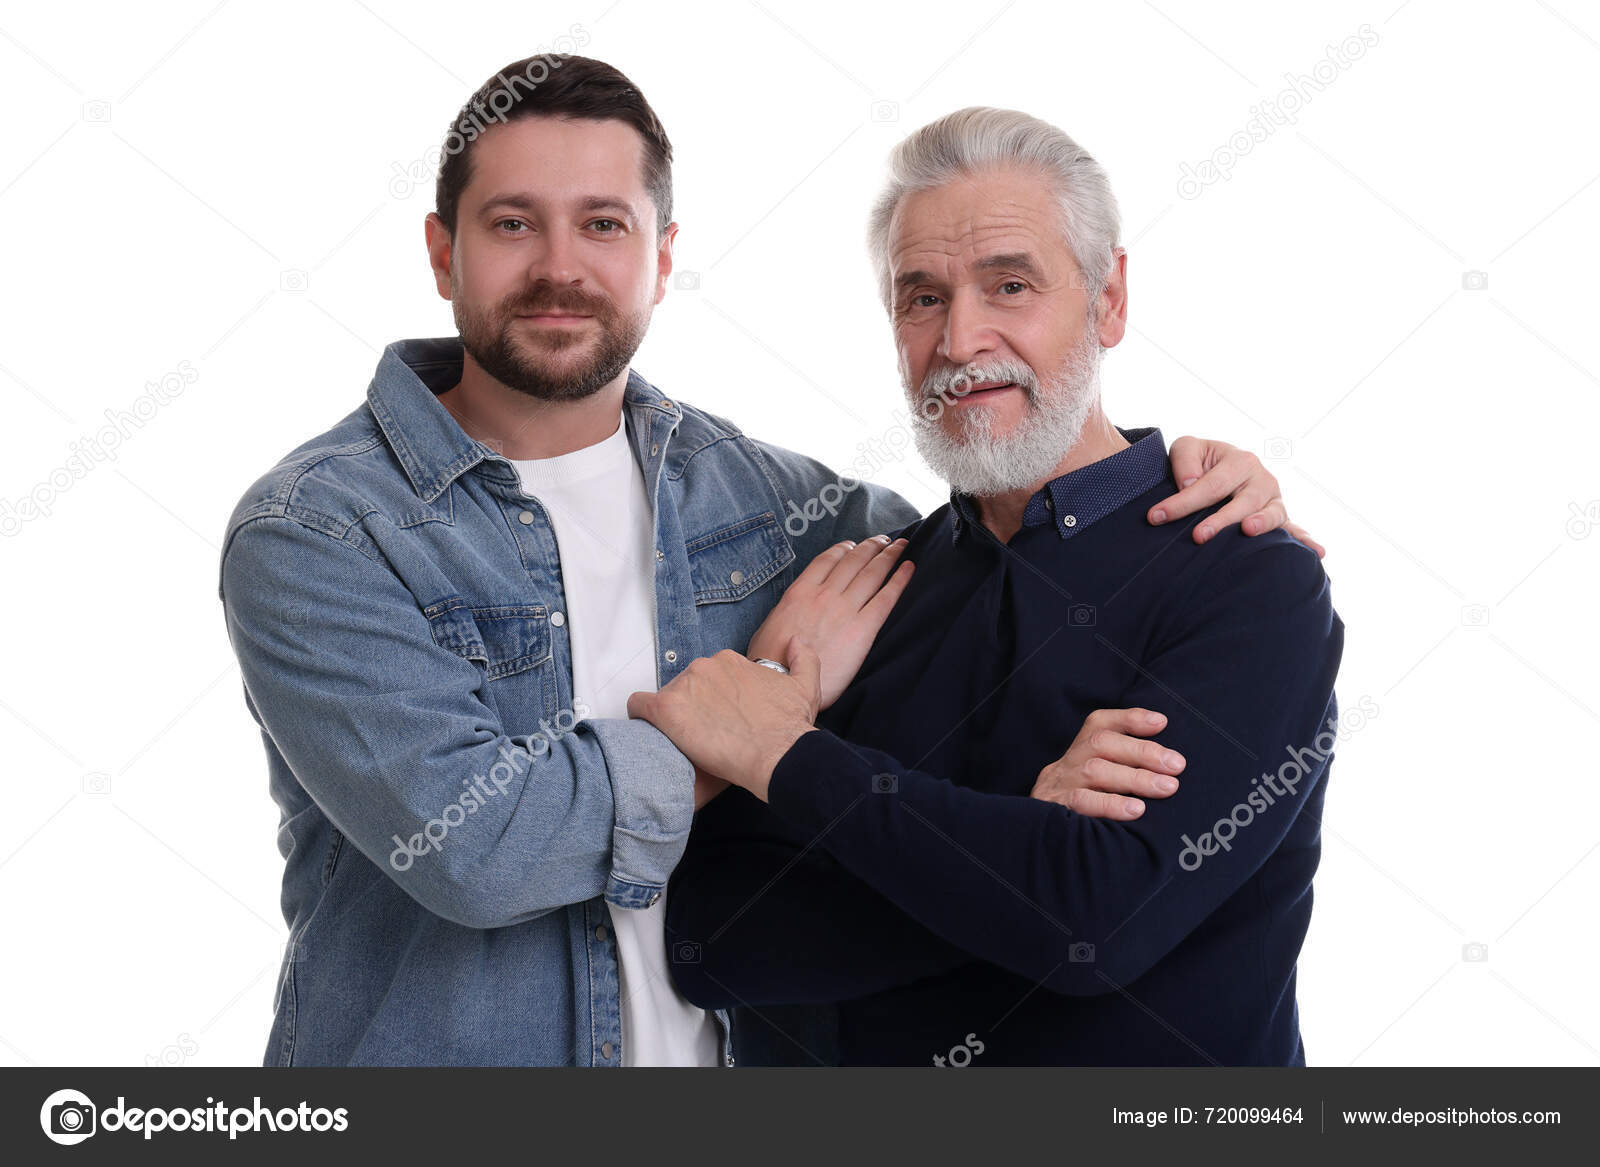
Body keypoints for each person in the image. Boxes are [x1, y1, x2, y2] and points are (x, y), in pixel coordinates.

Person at [219, 57, 1314, 1067]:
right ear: (441, 250)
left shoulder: (787, 517)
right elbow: (543, 871)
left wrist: (1195, 468)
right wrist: (786, 732)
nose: (560, 267)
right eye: (513, 223)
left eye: (603, 222)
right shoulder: (320, 532)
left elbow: (1082, 909)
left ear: (661, 256)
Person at [642, 107, 1343, 1067]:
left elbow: (1093, 923)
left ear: (1109, 298)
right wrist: (1024, 839)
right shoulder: (859, 590)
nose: (962, 338)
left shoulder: (1249, 578)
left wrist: (785, 753)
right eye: (921, 297)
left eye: (1009, 284)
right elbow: (713, 941)